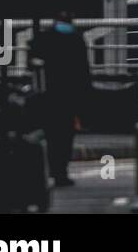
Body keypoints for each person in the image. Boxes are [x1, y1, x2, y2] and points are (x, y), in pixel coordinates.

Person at [28, 11, 91, 187]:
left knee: (52, 134)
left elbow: (32, 60)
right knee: (66, 136)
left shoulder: (46, 37)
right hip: (70, 95)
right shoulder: (76, 39)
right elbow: (83, 71)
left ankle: (55, 170)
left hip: (50, 94)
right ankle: (61, 171)